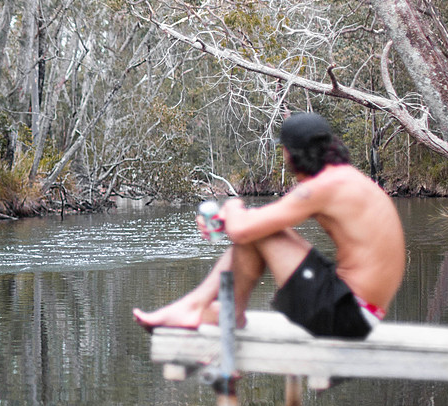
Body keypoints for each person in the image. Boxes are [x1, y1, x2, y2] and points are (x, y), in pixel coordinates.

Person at [133, 112, 405, 338]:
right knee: (260, 230)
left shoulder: (322, 187)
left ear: (290, 153)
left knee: (256, 232)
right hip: (359, 311)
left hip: (348, 318)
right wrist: (235, 220)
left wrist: (232, 208)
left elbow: (243, 229)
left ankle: (195, 307)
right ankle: (224, 314)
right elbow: (257, 223)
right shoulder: (344, 179)